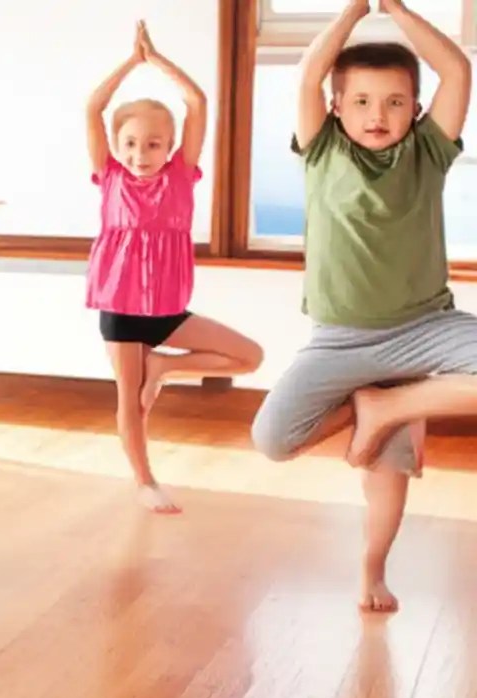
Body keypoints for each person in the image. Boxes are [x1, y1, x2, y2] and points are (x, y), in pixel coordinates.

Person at [251, 0, 475, 612]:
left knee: (388, 478)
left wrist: (396, 9)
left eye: (396, 102)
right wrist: (353, 11)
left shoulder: (428, 153)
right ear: (335, 107)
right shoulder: (322, 151)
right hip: (339, 339)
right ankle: (368, 409)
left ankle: (372, 568)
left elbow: (456, 70)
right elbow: (306, 73)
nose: (378, 115)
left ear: (417, 109)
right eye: (361, 101)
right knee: (271, 440)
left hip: (426, 327)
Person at [85, 21, 263, 514]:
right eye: (132, 144)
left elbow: (198, 104)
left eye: (154, 144)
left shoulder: (181, 176)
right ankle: (144, 480)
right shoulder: (111, 176)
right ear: (117, 146)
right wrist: (129, 64)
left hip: (166, 305)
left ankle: (164, 367)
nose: (141, 154)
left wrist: (156, 61)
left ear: (170, 146)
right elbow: (93, 108)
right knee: (130, 401)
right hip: (120, 303)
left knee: (249, 356)